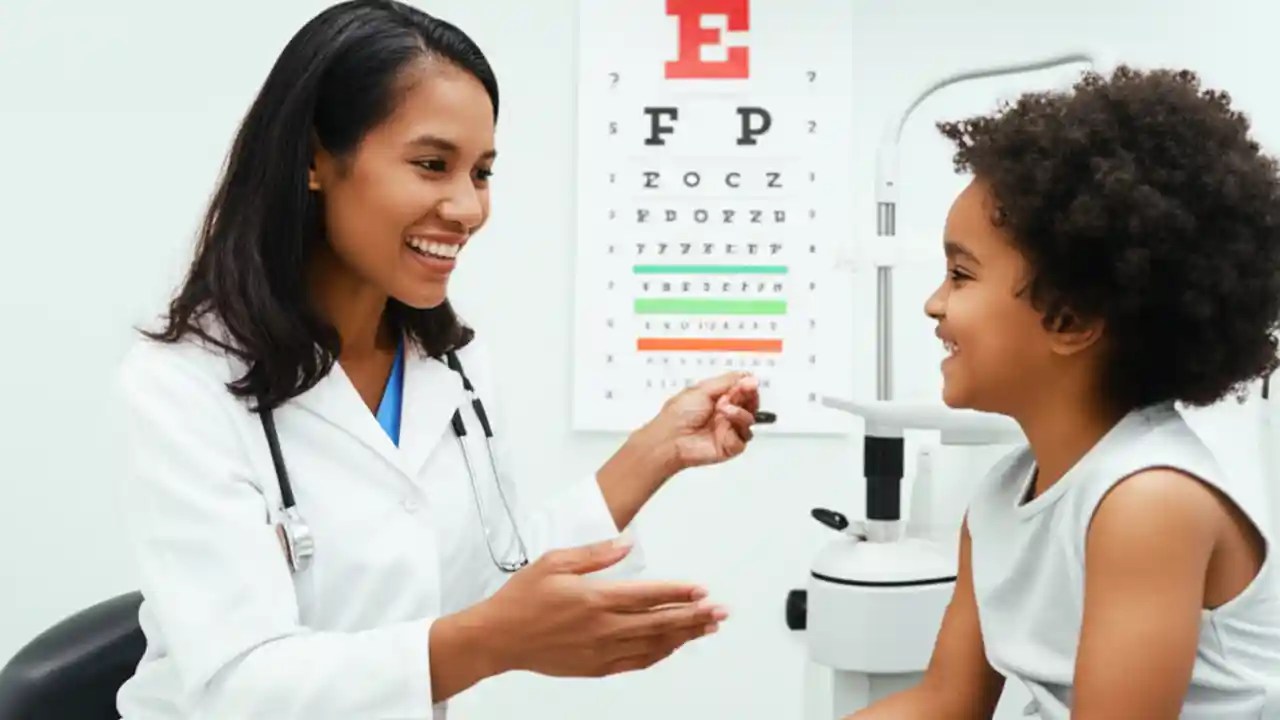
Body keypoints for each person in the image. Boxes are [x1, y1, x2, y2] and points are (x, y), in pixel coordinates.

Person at [113, 2, 766, 718]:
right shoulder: (184, 384)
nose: (467, 208)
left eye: (481, 172)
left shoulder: (449, 364)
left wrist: (655, 453)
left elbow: (492, 578)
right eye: (432, 165)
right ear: (312, 161)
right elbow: (240, 685)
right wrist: (493, 641)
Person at [851, 67, 1280, 719]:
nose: (933, 304)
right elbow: (945, 702)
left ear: (1070, 321)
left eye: (961, 275)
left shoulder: (1148, 501)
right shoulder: (1002, 495)